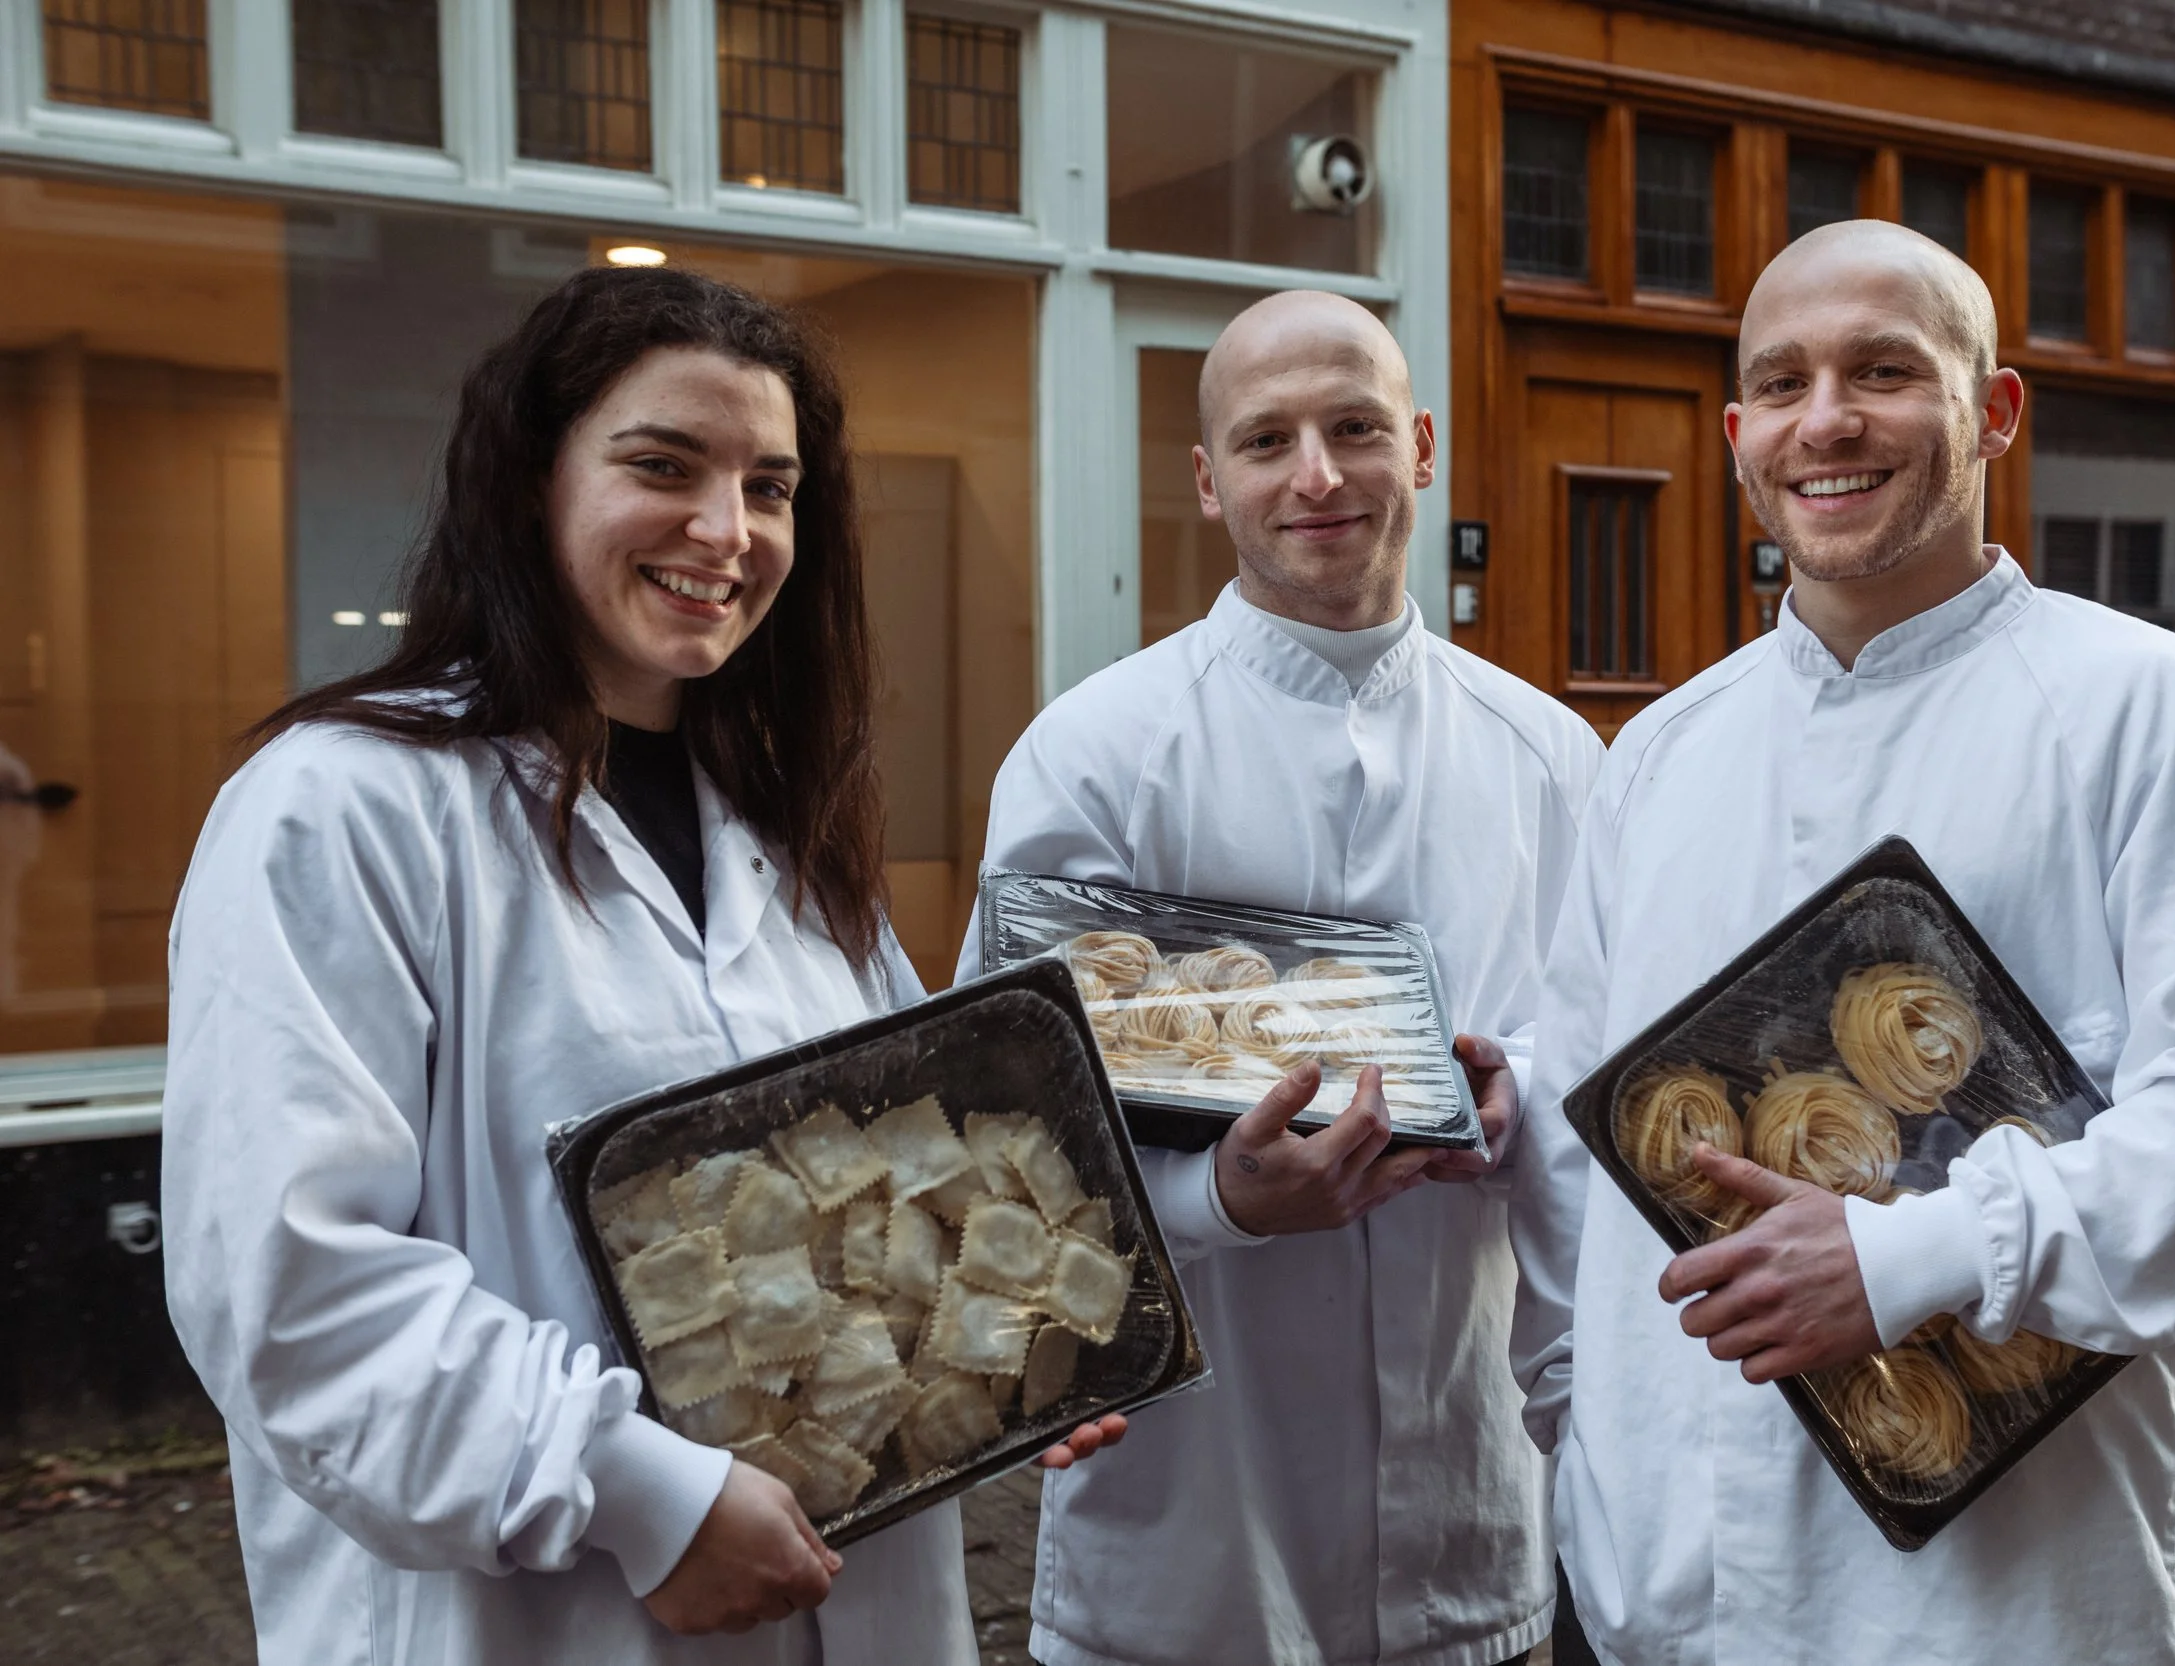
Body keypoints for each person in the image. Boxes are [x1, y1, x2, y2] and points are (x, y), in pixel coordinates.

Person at [160, 265, 1119, 1666]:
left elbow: (918, 1187)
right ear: (529, 480)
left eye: (772, 487)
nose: (726, 530)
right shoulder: (343, 808)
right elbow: (292, 1291)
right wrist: (642, 1495)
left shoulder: (792, 836)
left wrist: (1010, 1348)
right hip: (531, 1615)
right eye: (664, 466)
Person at [1511, 220, 2175, 1664]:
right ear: (1736, 435)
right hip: (1663, 1598)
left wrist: (1920, 1251)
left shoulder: (2155, 715)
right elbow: (1576, 1147)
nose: (1826, 419)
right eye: (1782, 384)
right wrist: (1586, 1442)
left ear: (1997, 411)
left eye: (1883, 371)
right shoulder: (1658, 755)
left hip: (2001, 1610)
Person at [961, 289, 1605, 1666]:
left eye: (1355, 427)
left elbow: (1611, 1063)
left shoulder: (1556, 760)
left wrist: (1520, 1092)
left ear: (1421, 447)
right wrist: (1219, 1201)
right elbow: (1000, 1135)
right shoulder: (1095, 755)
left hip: (1473, 1531)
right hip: (1189, 1554)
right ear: (1209, 480)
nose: (1316, 474)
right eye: (1266, 441)